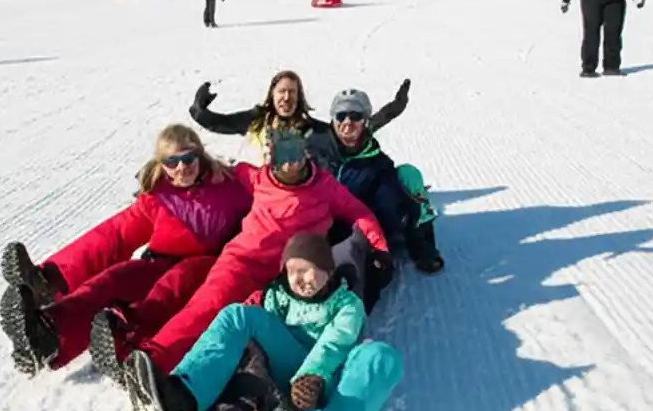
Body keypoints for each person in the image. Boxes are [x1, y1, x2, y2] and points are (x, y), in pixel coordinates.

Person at [103, 132, 389, 388]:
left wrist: (380, 248)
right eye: (282, 157)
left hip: (284, 280)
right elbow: (208, 170)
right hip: (241, 262)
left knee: (240, 337)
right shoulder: (257, 177)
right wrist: (158, 178)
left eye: (295, 154)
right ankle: (153, 361)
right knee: (207, 306)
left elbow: (359, 213)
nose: (290, 164)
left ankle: (188, 380)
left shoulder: (325, 187)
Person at [126, 232, 402, 411]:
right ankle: (182, 400)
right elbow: (253, 334)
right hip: (289, 369)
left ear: (328, 271)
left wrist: (311, 376)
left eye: (308, 270)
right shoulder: (277, 295)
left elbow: (334, 342)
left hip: (331, 379)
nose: (299, 279)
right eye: (292, 271)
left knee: (381, 356)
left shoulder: (346, 304)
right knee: (237, 315)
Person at [0, 124, 251, 376]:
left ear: (200, 156)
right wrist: (54, 274)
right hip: (159, 261)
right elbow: (116, 235)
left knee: (168, 291)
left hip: (207, 265)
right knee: (115, 279)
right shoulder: (159, 195)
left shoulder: (230, 184)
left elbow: (270, 185)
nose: (182, 168)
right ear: (161, 164)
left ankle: (126, 343)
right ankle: (48, 334)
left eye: (188, 159)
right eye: (172, 162)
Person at [314, 89, 444, 299]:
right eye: (341, 115)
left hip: (362, 227)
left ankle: (421, 244)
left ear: (365, 121)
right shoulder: (317, 150)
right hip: (322, 225)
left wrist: (383, 246)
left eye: (356, 116)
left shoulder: (377, 164)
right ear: (332, 120)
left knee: (409, 176)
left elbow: (388, 210)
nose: (347, 122)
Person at [190, 69, 409, 160]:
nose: (286, 97)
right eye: (281, 91)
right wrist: (199, 111)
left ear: (299, 96)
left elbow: (353, 130)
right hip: (259, 190)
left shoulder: (310, 126)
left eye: (292, 92)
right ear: (272, 94)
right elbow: (221, 123)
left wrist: (392, 110)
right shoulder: (257, 120)